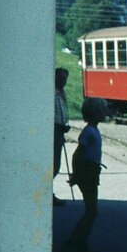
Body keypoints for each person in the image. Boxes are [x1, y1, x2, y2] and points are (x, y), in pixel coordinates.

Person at [62, 97, 107, 252]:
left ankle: (79, 244)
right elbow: (77, 154)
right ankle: (74, 244)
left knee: (91, 211)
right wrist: (76, 175)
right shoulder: (89, 132)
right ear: (96, 113)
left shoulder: (92, 130)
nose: (105, 113)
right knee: (91, 211)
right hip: (87, 173)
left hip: (92, 173)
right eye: (103, 110)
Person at [53, 67, 70, 206]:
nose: (63, 81)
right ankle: (49, 194)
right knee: (54, 164)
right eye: (60, 78)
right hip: (54, 130)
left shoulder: (62, 93)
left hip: (60, 130)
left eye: (65, 79)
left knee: (56, 164)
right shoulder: (52, 93)